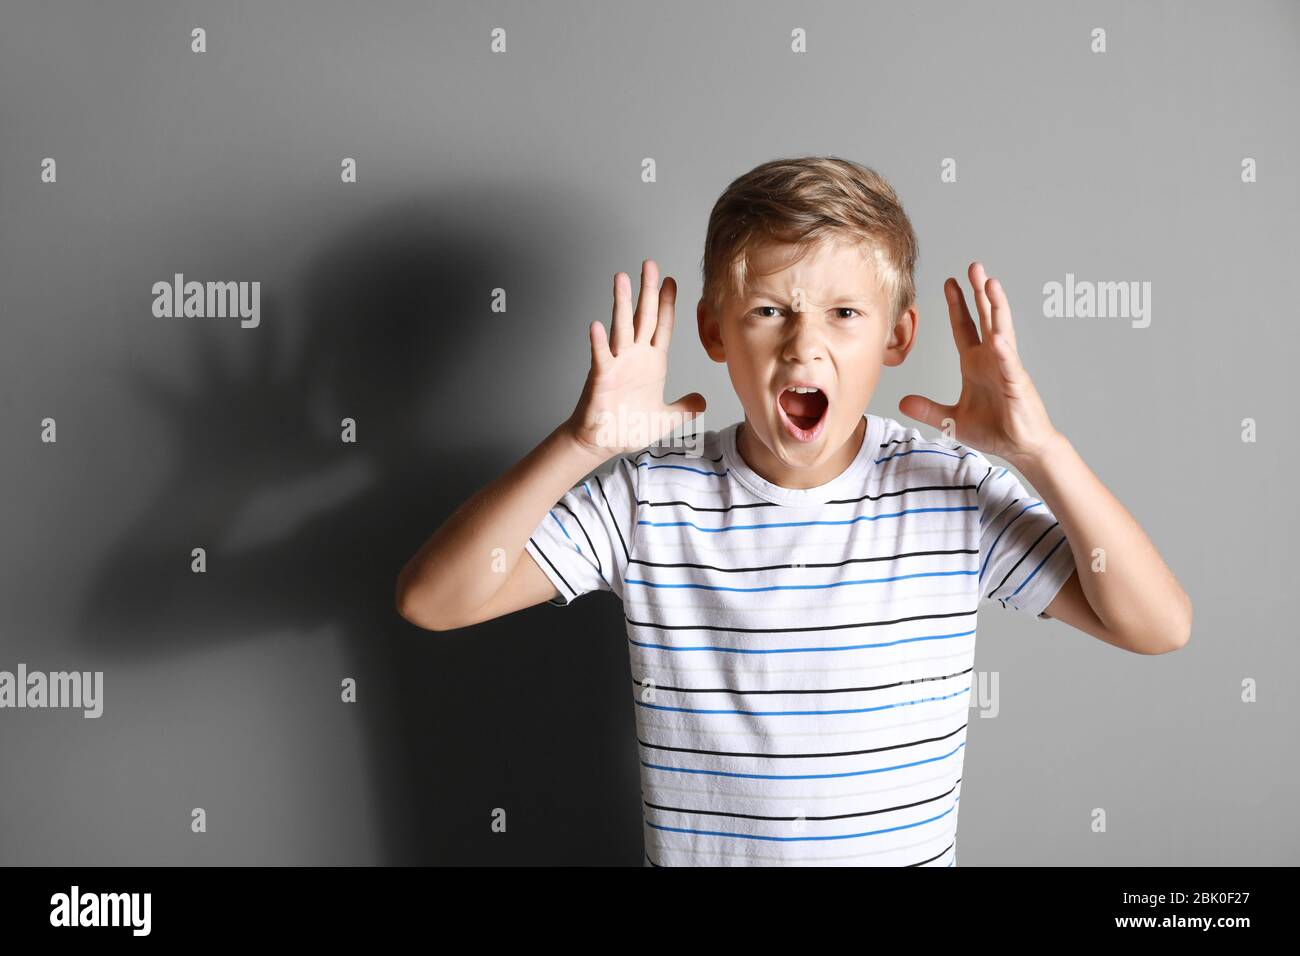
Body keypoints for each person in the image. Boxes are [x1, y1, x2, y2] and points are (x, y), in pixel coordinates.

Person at [395, 156, 1192, 866]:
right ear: (714, 330)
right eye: (769, 310)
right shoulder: (650, 496)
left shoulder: (953, 490)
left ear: (896, 336)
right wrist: (579, 444)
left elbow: (1158, 625)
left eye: (845, 314)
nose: (804, 346)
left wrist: (1040, 450)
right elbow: (433, 600)